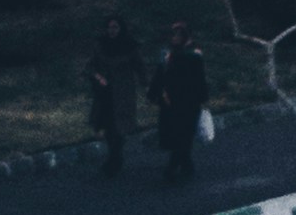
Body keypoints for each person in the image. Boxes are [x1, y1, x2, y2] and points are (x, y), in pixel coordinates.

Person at [150, 23, 212, 188]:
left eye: (178, 35)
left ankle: (172, 167)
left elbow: (199, 79)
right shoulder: (168, 54)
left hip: (188, 101)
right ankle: (186, 164)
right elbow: (160, 74)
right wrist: (155, 93)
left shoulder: (192, 55)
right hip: (171, 101)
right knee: (178, 134)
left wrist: (203, 98)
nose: (174, 38)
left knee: (184, 134)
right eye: (173, 35)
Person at [85, 11, 141, 187]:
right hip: (106, 92)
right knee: (108, 126)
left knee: (119, 127)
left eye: (115, 27)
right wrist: (98, 76)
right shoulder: (101, 45)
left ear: (121, 28)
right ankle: (113, 156)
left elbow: (138, 65)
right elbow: (91, 65)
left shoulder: (129, 45)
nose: (112, 31)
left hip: (123, 92)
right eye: (110, 27)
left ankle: (115, 158)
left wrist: (146, 83)